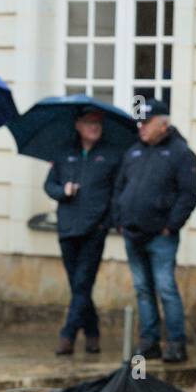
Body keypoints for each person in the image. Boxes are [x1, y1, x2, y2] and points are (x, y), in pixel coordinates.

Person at [112, 98, 196, 363]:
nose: (141, 128)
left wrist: (170, 225)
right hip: (133, 232)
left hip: (161, 236)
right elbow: (120, 187)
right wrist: (119, 218)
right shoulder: (134, 152)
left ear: (163, 124)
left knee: (165, 288)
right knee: (142, 288)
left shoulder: (180, 153)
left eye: (147, 123)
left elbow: (188, 194)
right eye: (140, 123)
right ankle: (149, 341)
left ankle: (175, 343)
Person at [44, 106, 122, 355]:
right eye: (89, 122)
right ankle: (92, 332)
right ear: (78, 125)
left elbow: (117, 193)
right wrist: (62, 191)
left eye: (98, 122)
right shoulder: (65, 152)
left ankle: (67, 335)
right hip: (67, 227)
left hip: (94, 229)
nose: (95, 126)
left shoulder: (111, 154)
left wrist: (106, 222)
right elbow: (49, 184)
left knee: (82, 282)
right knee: (78, 285)